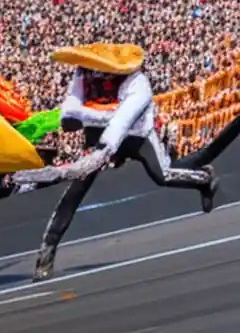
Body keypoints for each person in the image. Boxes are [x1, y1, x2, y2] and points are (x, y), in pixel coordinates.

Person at [27, 44, 220, 282]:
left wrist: (87, 119)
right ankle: (46, 253)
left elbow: (119, 120)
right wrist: (70, 116)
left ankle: (204, 179)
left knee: (163, 175)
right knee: (75, 191)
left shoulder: (138, 82)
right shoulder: (83, 72)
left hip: (135, 135)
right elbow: (72, 103)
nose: (98, 73)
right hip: (99, 136)